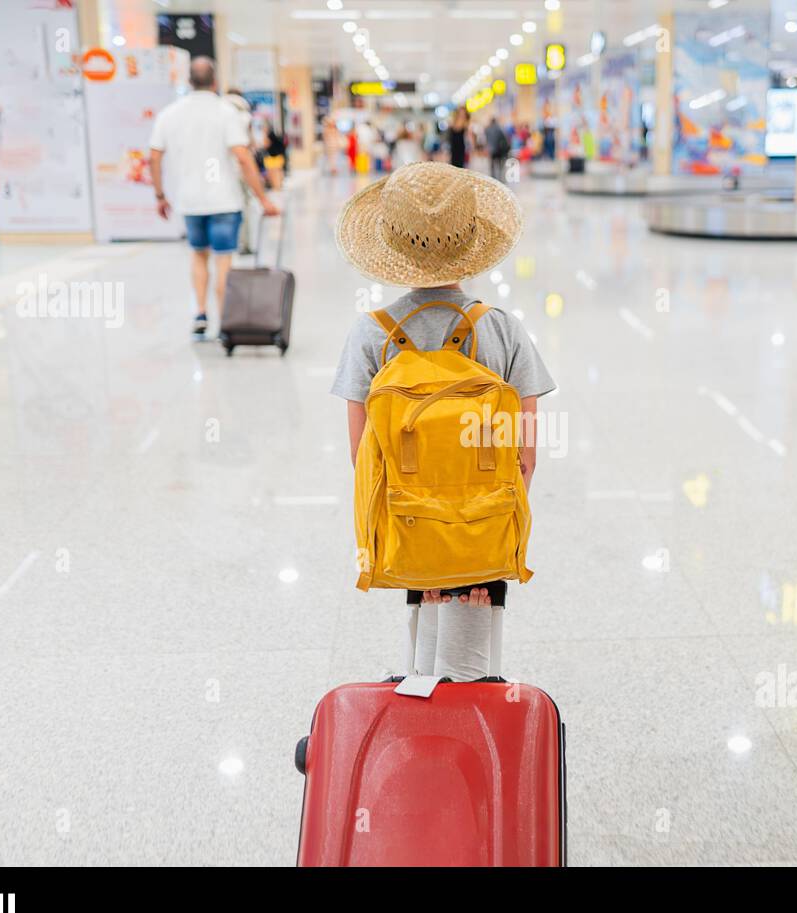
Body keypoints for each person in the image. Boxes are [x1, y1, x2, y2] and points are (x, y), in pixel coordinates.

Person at [330, 162, 555, 680]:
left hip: (409, 527)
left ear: (393, 245)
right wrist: (479, 530)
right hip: (483, 526)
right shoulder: (503, 330)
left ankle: (424, 704)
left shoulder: (370, 335)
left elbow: (363, 459)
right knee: (473, 668)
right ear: (472, 238)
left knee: (425, 658)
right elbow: (524, 458)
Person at [149, 57, 278, 338]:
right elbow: (242, 157)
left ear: (189, 81)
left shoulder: (170, 113)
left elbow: (154, 156)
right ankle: (224, 321)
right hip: (224, 200)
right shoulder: (225, 112)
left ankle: (200, 313)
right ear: (215, 81)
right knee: (223, 260)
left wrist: (160, 195)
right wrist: (263, 198)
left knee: (198, 255)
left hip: (189, 201)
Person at [485, 117, 510, 181]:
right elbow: (504, 138)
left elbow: (487, 139)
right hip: (498, 149)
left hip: (491, 149)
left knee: (492, 164)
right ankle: (499, 177)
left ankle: (493, 177)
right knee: (499, 164)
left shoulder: (488, 129)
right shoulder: (499, 129)